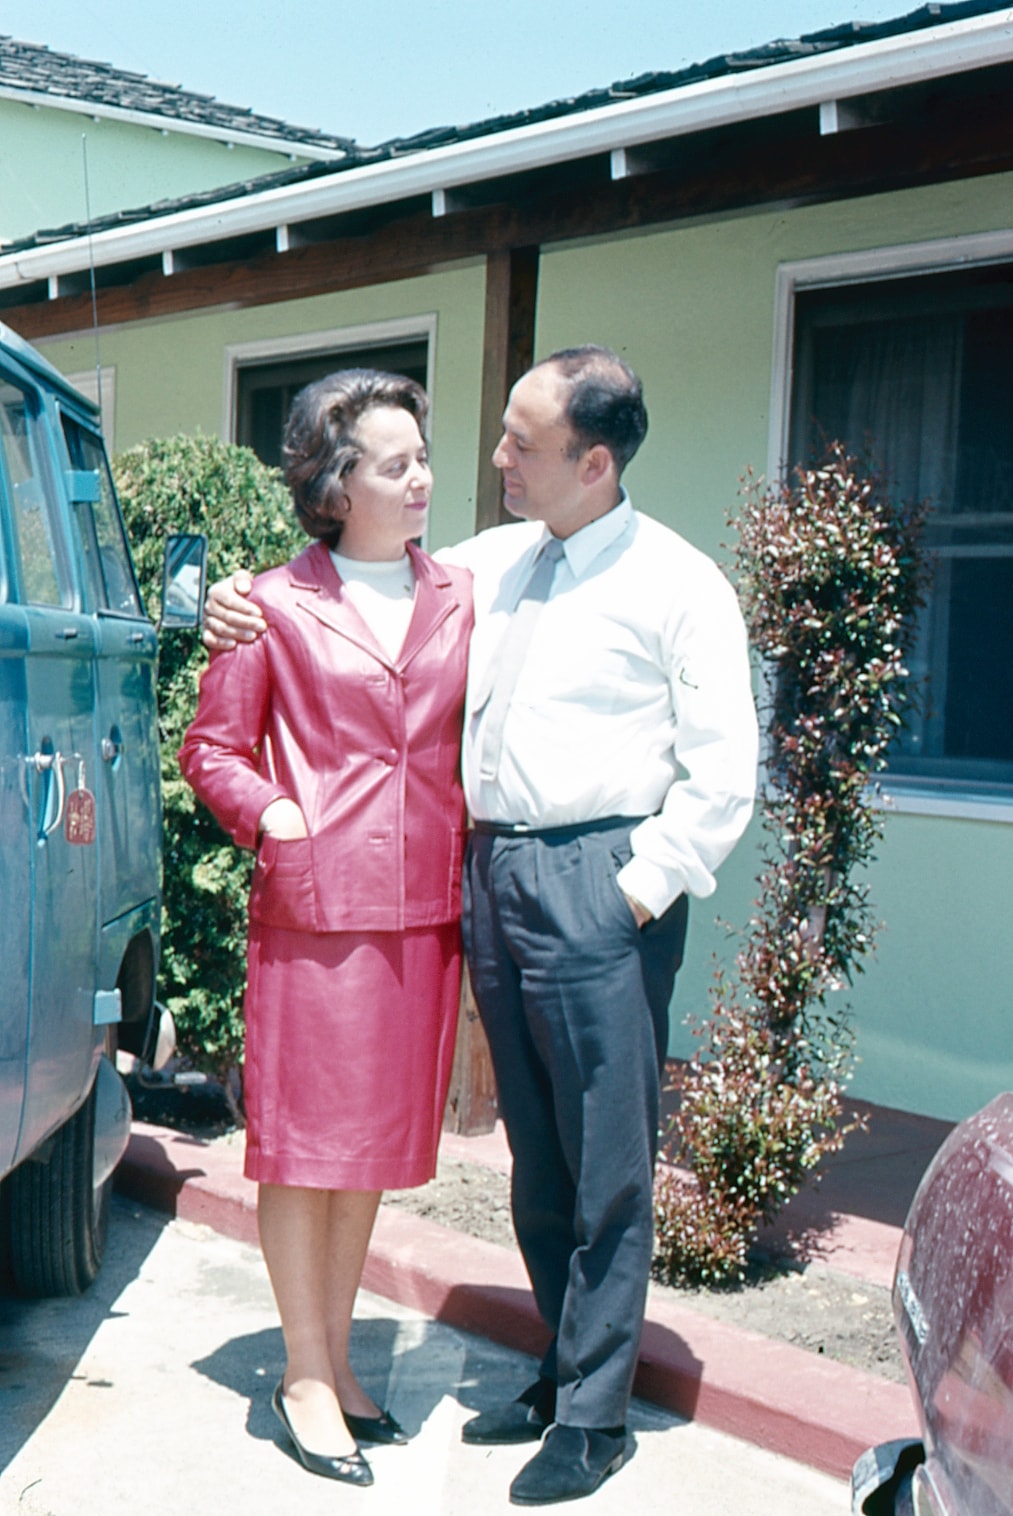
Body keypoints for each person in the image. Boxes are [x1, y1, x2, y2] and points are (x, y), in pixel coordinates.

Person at [204, 346, 759, 1506]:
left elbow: (723, 775)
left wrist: (635, 890)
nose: (491, 461)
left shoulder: (679, 583)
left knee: (608, 1157)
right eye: (494, 436)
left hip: (602, 879)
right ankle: (559, 1373)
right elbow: (353, 581)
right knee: (539, 1158)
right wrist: (231, 600)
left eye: (520, 443)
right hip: (488, 881)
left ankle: (594, 1415)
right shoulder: (492, 564)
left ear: (593, 462)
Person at [180, 369, 473, 1489]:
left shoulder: (459, 589)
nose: (422, 481)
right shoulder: (270, 604)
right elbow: (210, 752)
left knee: (365, 1162)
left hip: (421, 917)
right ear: (336, 483)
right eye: (396, 464)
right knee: (304, 1157)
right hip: (313, 913)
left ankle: (336, 1358)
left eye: (422, 458)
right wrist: (278, 817)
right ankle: (305, 1377)